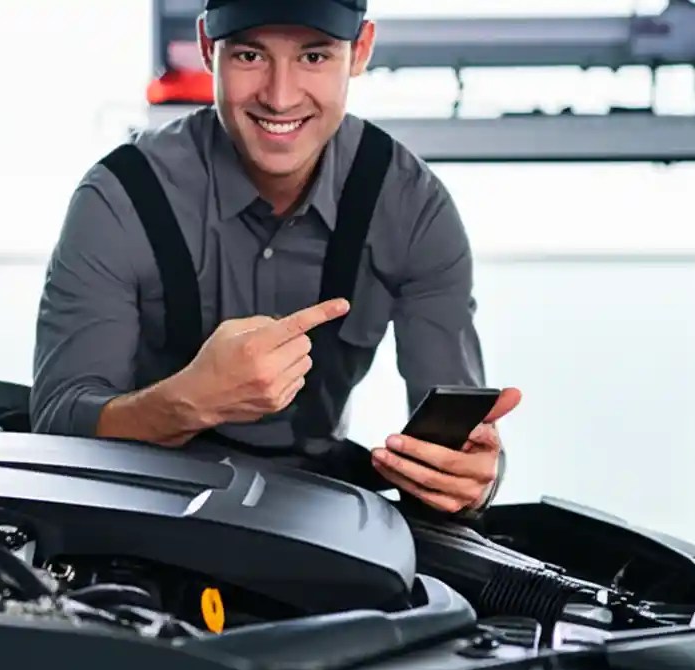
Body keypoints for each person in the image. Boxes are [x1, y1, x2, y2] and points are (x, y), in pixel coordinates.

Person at [29, 0, 522, 517]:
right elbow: (59, 421)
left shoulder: (413, 207)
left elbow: (458, 442)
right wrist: (188, 401)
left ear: (361, 51)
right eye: (249, 56)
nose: (280, 97)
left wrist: (470, 481)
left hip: (315, 514)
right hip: (140, 505)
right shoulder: (122, 195)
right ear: (206, 47)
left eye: (313, 57)